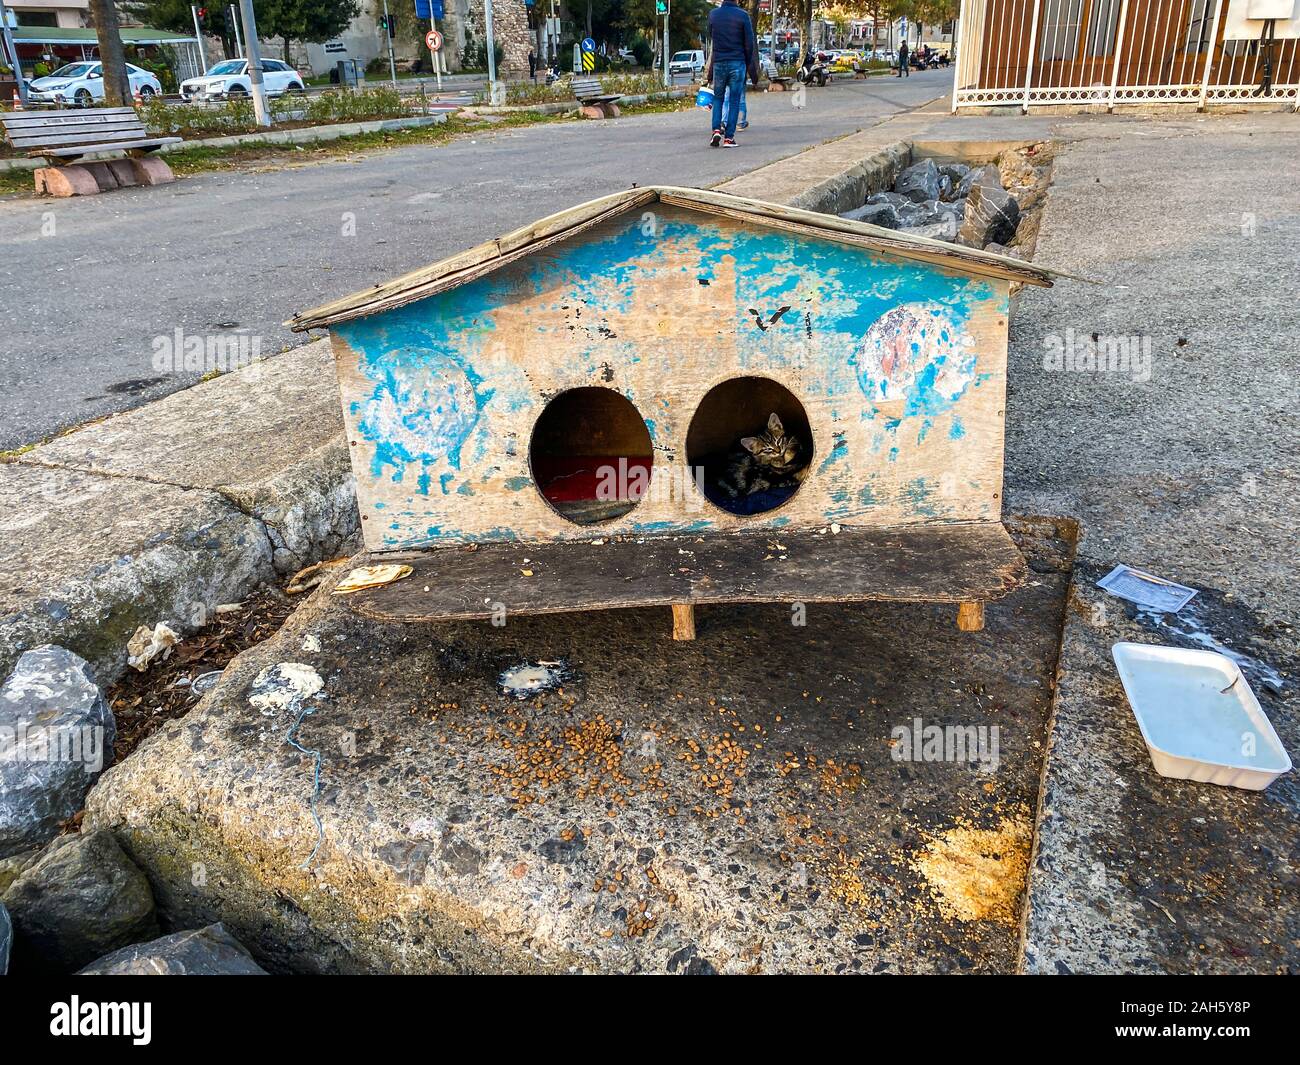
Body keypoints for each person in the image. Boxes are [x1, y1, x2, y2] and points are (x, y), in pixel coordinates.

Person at [706, 0, 758, 148]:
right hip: (737, 62)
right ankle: (729, 138)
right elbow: (749, 44)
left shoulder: (713, 15)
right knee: (735, 100)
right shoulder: (743, 16)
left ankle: (716, 130)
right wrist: (749, 65)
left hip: (719, 62)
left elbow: (712, 38)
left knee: (718, 98)